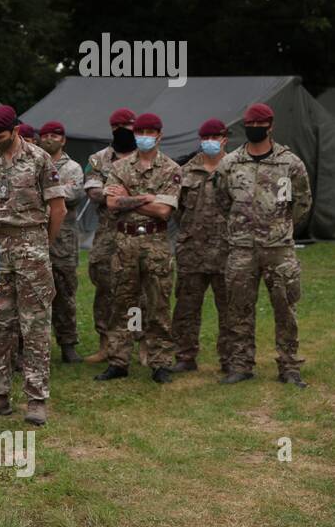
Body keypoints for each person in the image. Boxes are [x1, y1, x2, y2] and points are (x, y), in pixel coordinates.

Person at [0, 107, 66, 425]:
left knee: (35, 325)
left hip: (32, 247)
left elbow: (58, 209)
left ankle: (36, 400)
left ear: (15, 130)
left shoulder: (40, 160)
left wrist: (42, 245)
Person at [215, 103, 312, 387]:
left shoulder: (290, 163)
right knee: (238, 308)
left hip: (279, 249)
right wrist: (242, 227)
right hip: (242, 249)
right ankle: (240, 364)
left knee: (285, 308)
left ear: (270, 126)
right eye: (250, 124)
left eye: (259, 124)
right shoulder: (230, 163)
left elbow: (302, 202)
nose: (254, 128)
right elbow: (222, 201)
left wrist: (280, 227)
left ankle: (289, 366)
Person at [94, 113, 181, 384]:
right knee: (122, 302)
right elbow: (111, 204)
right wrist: (146, 199)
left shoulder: (171, 168)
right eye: (140, 132)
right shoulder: (119, 167)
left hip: (155, 244)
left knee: (158, 304)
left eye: (149, 132)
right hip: (125, 243)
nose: (144, 136)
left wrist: (129, 198)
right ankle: (119, 360)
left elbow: (164, 211)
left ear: (159, 135)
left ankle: (160, 362)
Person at [171, 119, 231, 374]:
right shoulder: (185, 171)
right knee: (186, 306)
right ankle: (185, 356)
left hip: (226, 251)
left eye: (215, 137)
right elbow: (178, 210)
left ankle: (230, 358)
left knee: (229, 308)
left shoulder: (234, 169)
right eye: (205, 137)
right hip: (191, 251)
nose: (210, 142)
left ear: (224, 139)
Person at [83, 108, 137, 362]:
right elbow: (92, 192)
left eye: (128, 126)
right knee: (104, 287)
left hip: (137, 231)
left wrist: (121, 196)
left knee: (138, 289)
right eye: (118, 127)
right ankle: (105, 343)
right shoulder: (98, 159)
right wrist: (115, 194)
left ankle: (139, 341)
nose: (123, 130)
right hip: (108, 233)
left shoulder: (146, 158)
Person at [37, 121, 86, 363]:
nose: (49, 138)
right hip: (35, 239)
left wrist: (43, 192)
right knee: (34, 294)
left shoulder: (73, 167)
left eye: (55, 135)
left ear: (63, 140)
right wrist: (57, 190)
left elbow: (74, 194)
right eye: (45, 135)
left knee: (65, 294)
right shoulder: (34, 164)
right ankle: (35, 346)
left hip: (63, 242)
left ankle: (68, 344)